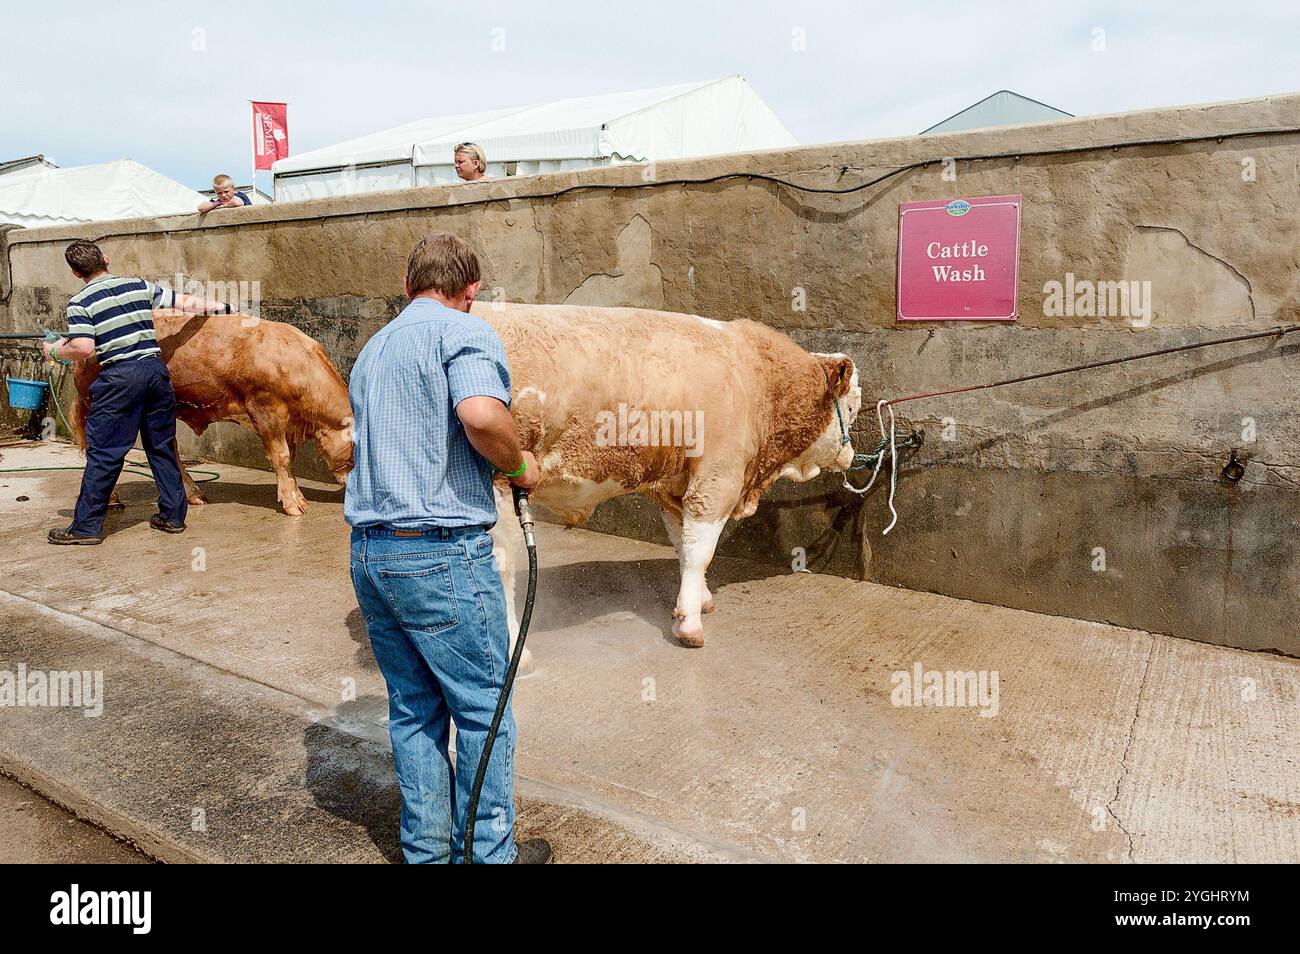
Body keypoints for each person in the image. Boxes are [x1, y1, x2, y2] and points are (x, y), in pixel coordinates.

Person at [345, 231, 548, 864]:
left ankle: (428, 855)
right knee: (484, 709)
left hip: (371, 552)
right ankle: (490, 856)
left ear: (407, 288)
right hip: (440, 554)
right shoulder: (465, 331)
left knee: (413, 710)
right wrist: (519, 467)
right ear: (471, 291)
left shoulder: (373, 351)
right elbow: (482, 415)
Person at [43, 240, 234, 545]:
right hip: (155, 373)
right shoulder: (138, 286)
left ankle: (85, 528)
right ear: (105, 259)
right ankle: (172, 517)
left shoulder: (80, 301)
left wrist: (54, 351)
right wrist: (223, 308)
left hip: (120, 378)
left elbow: (83, 347)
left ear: (76, 273)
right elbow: (185, 303)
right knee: (160, 446)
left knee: (105, 453)